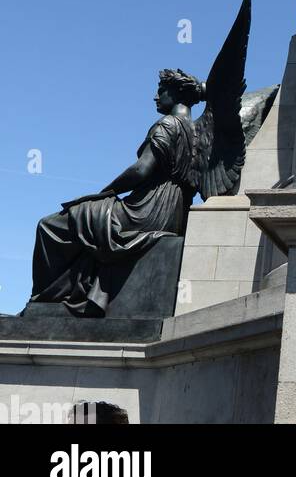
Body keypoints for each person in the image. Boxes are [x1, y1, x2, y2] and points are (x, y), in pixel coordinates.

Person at [30, 70, 200, 317]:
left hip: (146, 209)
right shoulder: (198, 133)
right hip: (172, 212)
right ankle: (73, 296)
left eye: (161, 90)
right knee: (88, 225)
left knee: (49, 226)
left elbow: (142, 170)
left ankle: (45, 302)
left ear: (175, 92)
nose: (155, 97)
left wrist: (104, 193)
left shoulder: (168, 124)